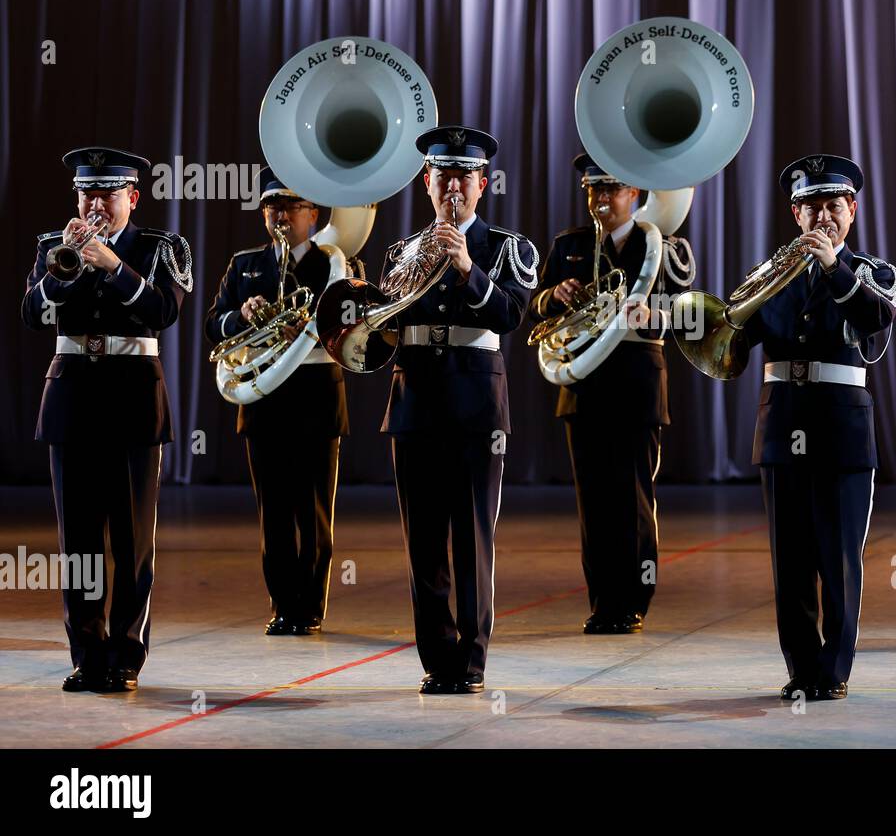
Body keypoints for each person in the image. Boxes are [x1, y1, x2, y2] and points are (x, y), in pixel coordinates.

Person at [20, 147, 192, 693]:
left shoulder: (159, 247)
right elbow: (32, 314)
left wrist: (114, 267)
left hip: (133, 398)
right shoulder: (53, 246)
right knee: (79, 543)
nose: (94, 203)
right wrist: (66, 267)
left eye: (107, 194)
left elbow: (163, 312)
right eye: (86, 193)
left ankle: (125, 655)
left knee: (131, 541)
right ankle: (87, 654)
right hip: (72, 395)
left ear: (131, 198)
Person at [383, 125, 539, 694]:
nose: (453, 186)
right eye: (442, 175)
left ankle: (470, 663)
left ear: (482, 185)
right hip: (416, 401)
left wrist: (469, 267)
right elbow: (384, 328)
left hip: (476, 408)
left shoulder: (508, 247)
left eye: (464, 177)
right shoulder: (402, 251)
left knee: (472, 539)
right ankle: (436, 661)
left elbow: (510, 316)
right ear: (427, 182)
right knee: (423, 542)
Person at [740, 154, 896, 701]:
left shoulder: (875, 272)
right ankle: (800, 667)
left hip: (842, 429)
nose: (823, 217)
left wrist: (834, 267)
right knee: (791, 559)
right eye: (812, 208)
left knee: (839, 556)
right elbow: (732, 347)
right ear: (795, 215)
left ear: (852, 210)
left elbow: (875, 320)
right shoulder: (772, 275)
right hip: (782, 422)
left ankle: (834, 670)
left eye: (834, 205)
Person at [529, 153, 696, 635]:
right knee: (593, 503)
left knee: (634, 500)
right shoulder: (569, 245)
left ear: (636, 195)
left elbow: (688, 318)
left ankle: (633, 601)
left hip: (635, 387)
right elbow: (537, 311)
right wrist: (554, 295)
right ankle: (602, 602)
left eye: (614, 189)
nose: (602, 199)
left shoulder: (666, 248)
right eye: (594, 191)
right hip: (583, 389)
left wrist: (654, 320)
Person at [204, 167, 349, 637]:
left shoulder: (335, 263)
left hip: (314, 394)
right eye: (272, 207)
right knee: (274, 511)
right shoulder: (246, 263)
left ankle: (310, 606)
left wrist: (307, 330)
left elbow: (353, 326)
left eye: (290, 207)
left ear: (314, 213)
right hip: (264, 399)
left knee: (313, 510)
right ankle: (283, 605)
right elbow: (213, 322)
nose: (279, 216)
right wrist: (241, 317)